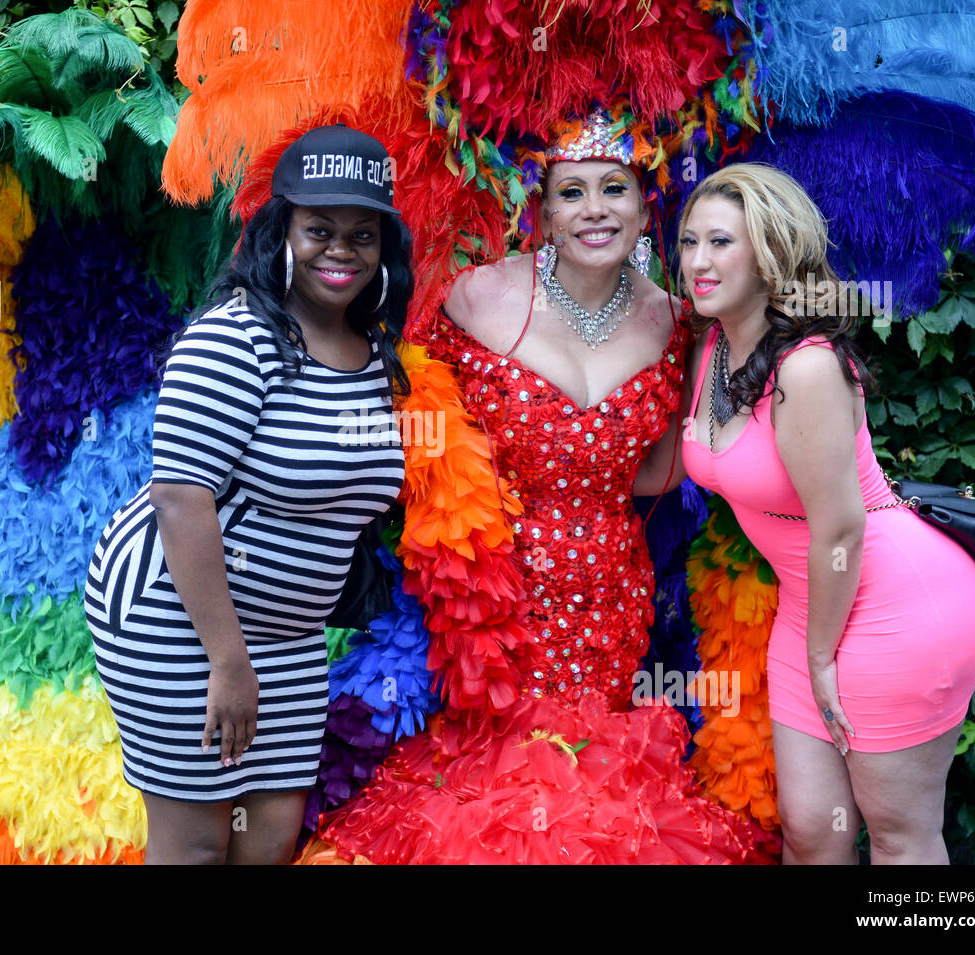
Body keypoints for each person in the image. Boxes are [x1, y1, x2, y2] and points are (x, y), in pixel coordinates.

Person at [303, 111, 778, 864]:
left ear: (643, 203)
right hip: (496, 609)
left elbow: (659, 472)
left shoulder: (673, 320)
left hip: (613, 605)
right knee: (490, 798)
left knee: (597, 793)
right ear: (544, 209)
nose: (596, 210)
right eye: (572, 192)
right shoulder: (476, 297)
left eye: (615, 189)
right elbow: (408, 414)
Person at [83, 125, 411, 864]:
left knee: (268, 838)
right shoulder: (237, 338)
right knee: (199, 842)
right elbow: (180, 498)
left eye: (363, 233)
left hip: (288, 637)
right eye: (319, 229)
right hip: (177, 616)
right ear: (281, 231)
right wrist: (227, 660)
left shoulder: (372, 350)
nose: (342, 249)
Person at [675, 163, 975, 864]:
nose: (698, 261)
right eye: (689, 241)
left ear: (771, 254)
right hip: (811, 604)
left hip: (897, 604)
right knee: (813, 831)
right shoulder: (713, 346)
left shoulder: (808, 367)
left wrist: (823, 653)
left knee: (899, 835)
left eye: (721, 242)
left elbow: (841, 527)